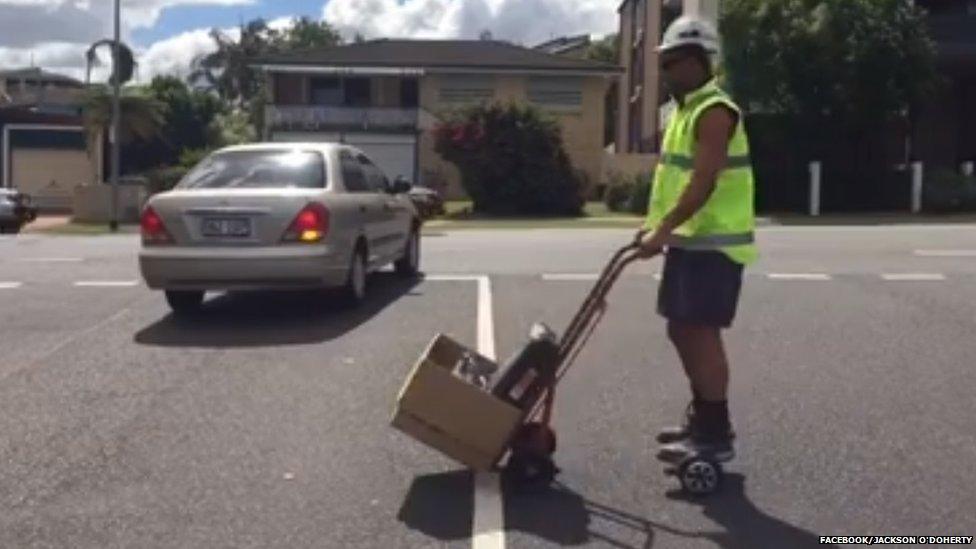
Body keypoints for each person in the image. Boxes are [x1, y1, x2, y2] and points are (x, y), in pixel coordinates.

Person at [636, 15, 758, 463]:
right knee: (681, 329)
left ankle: (715, 433)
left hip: (713, 244)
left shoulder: (714, 111)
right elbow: (675, 180)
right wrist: (655, 227)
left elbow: (703, 181)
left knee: (700, 334)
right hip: (690, 240)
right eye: (666, 61)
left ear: (702, 62)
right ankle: (703, 419)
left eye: (675, 61)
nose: (667, 70)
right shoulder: (684, 110)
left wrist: (663, 230)